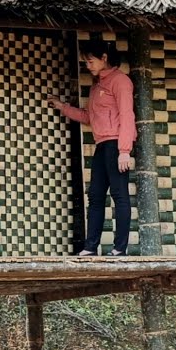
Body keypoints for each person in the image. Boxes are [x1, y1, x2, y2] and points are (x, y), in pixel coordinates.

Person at [48, 40, 136, 256]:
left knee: (119, 195)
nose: (88, 66)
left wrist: (124, 151)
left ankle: (119, 249)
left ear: (104, 58)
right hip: (100, 145)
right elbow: (89, 117)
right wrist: (63, 107)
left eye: (90, 61)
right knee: (95, 196)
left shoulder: (121, 81)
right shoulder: (96, 87)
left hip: (116, 144)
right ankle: (90, 247)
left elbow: (127, 115)